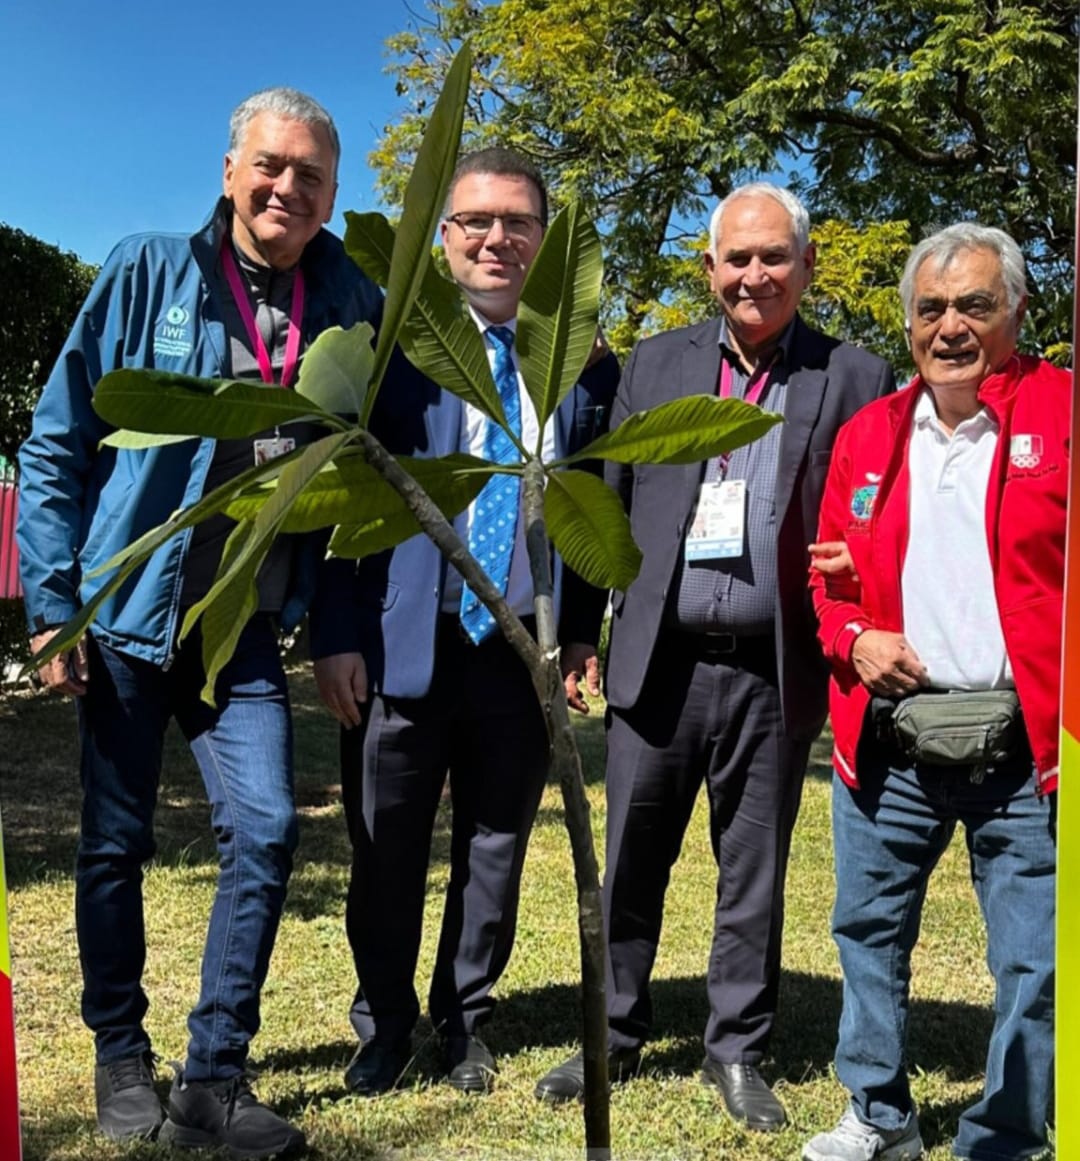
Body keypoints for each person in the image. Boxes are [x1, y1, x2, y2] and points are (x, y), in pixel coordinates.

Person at [17, 88, 381, 1158]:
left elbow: (365, 466)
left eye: (311, 176)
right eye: (270, 166)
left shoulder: (348, 294)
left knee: (266, 829)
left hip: (242, 633)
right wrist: (55, 603)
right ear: (230, 171)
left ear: (331, 197)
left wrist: (334, 624)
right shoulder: (147, 273)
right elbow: (56, 444)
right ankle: (120, 1055)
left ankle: (214, 1077)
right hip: (127, 617)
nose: (287, 188)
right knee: (115, 845)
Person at [535, 183, 894, 1130]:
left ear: (807, 267)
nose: (755, 274)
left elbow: (886, 506)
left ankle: (736, 1047)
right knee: (630, 854)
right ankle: (611, 1029)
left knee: (755, 868)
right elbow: (592, 498)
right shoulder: (651, 368)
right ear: (709, 270)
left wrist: (870, 561)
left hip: (778, 666)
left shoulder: (855, 375)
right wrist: (578, 630)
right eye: (736, 258)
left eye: (775, 256)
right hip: (658, 660)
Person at [310, 148, 620, 1097]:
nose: (497, 238)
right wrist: (335, 633)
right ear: (442, 240)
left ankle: (466, 1018)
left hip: (518, 650)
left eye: (518, 222)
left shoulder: (580, 366)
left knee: (498, 842)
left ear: (543, 240)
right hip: (404, 640)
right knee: (387, 840)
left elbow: (591, 497)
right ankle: (384, 1022)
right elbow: (336, 498)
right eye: (476, 221)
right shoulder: (388, 351)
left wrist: (579, 632)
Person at [802, 223, 1062, 1161]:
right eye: (932, 307)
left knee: (1035, 956)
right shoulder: (870, 434)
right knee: (866, 932)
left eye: (976, 305)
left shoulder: (1062, 414)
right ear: (910, 323)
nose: (952, 325)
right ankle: (877, 1112)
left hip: (1026, 749)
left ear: (1018, 311)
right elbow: (825, 576)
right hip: (889, 742)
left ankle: (1007, 1128)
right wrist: (855, 636)